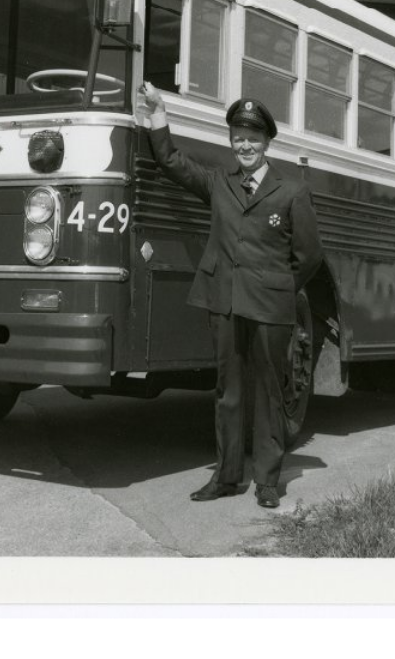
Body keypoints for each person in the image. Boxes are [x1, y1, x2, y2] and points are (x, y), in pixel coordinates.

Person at [139, 83, 325, 509]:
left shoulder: (291, 191)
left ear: (267, 143)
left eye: (253, 139)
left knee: (269, 392)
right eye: (238, 139)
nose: (245, 146)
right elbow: (172, 162)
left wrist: (279, 287)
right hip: (223, 302)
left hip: (270, 307)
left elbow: (310, 256)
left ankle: (266, 481)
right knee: (228, 391)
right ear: (231, 142)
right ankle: (226, 478)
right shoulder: (219, 182)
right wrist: (158, 113)